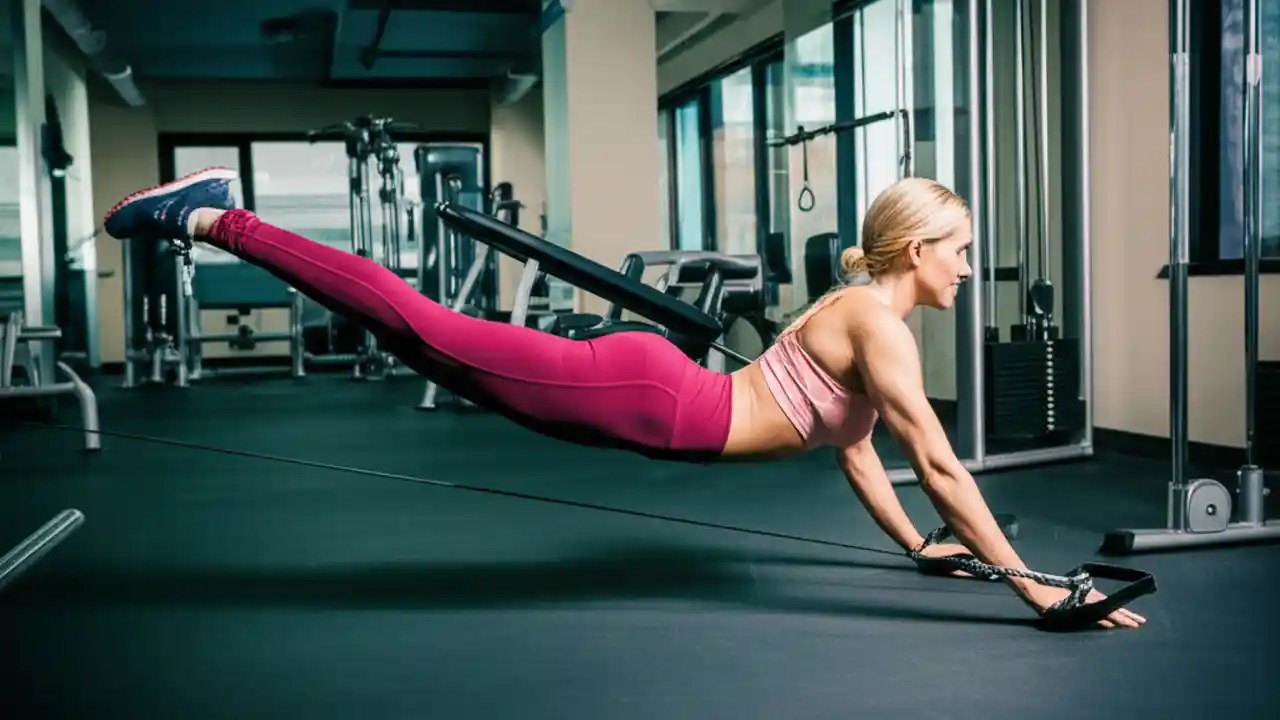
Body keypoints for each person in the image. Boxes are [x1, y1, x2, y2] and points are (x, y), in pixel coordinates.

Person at [103, 168, 1145, 630]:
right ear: (917, 251)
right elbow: (938, 460)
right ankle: (213, 222)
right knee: (418, 328)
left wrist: (917, 547)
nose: (969, 268)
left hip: (653, 394)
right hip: (645, 399)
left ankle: (217, 222)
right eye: (960, 252)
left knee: (424, 344)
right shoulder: (877, 320)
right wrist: (1032, 586)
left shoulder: (876, 322)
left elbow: (861, 452)